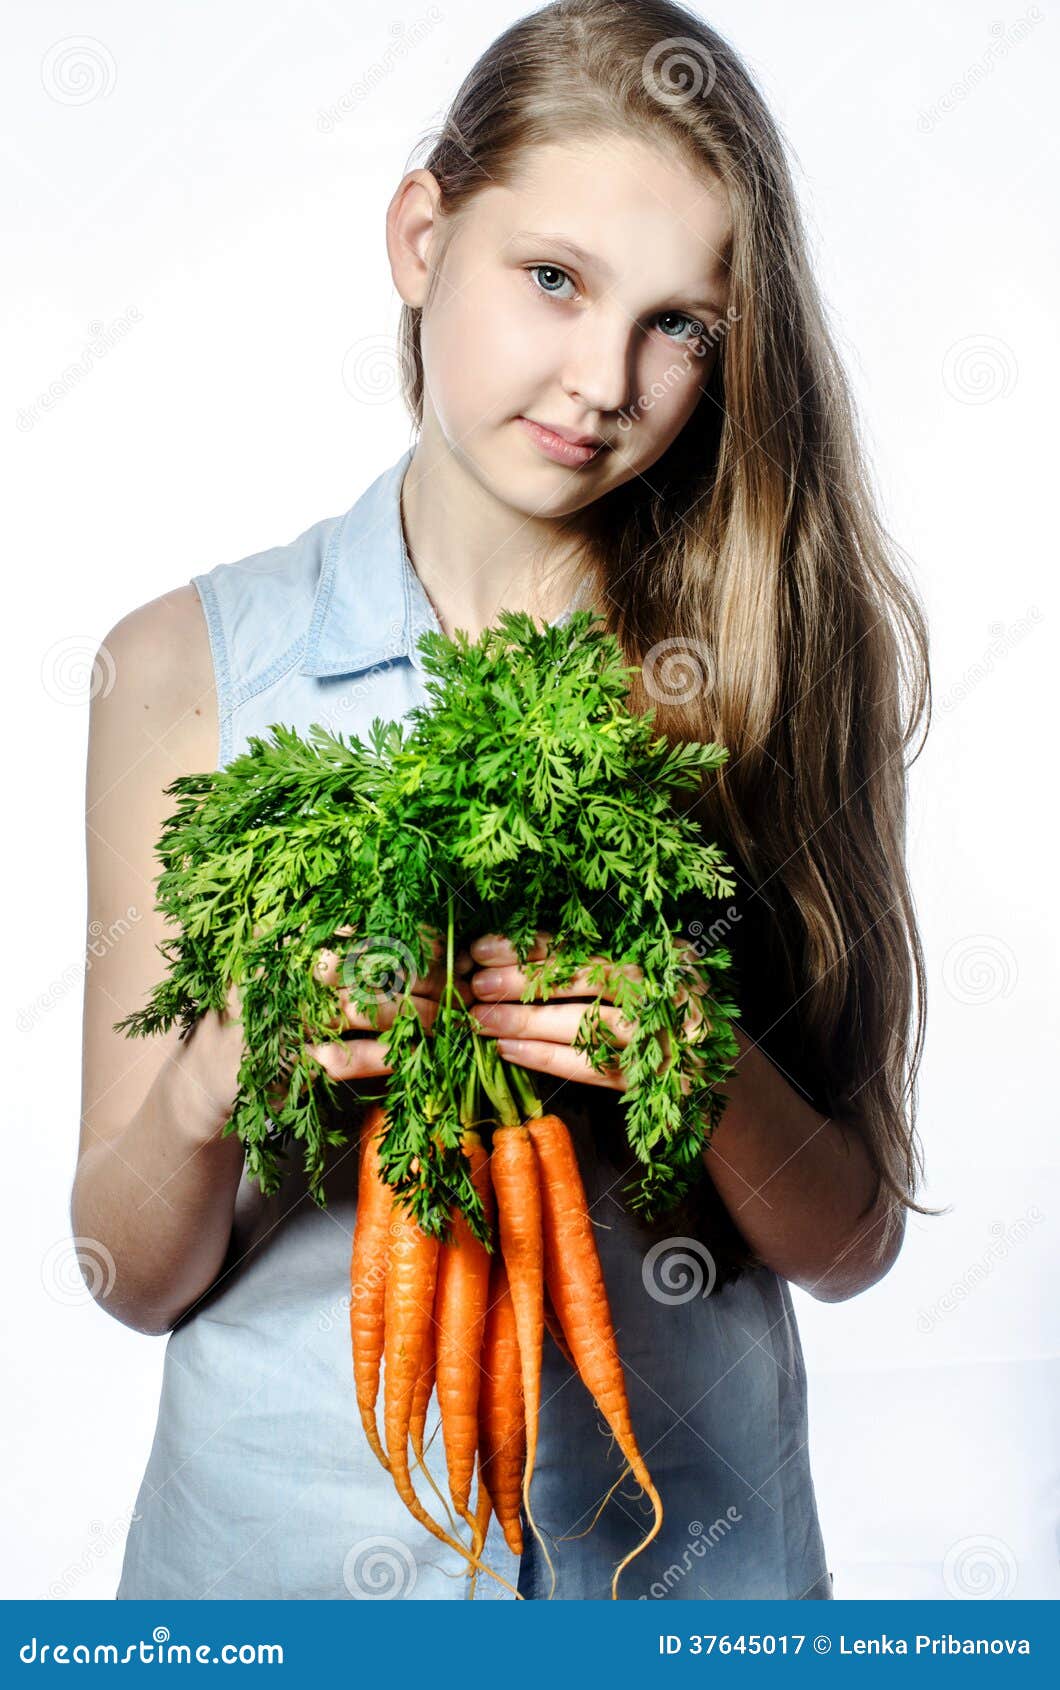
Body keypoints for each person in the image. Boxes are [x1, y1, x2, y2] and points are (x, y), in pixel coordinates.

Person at [73, 0, 933, 1601]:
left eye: (682, 322)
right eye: (555, 279)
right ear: (421, 236)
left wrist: (702, 1055)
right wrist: (211, 1074)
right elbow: (125, 1269)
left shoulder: (774, 656)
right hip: (275, 1589)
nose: (604, 379)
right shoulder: (181, 668)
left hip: (684, 1590)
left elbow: (855, 1237)